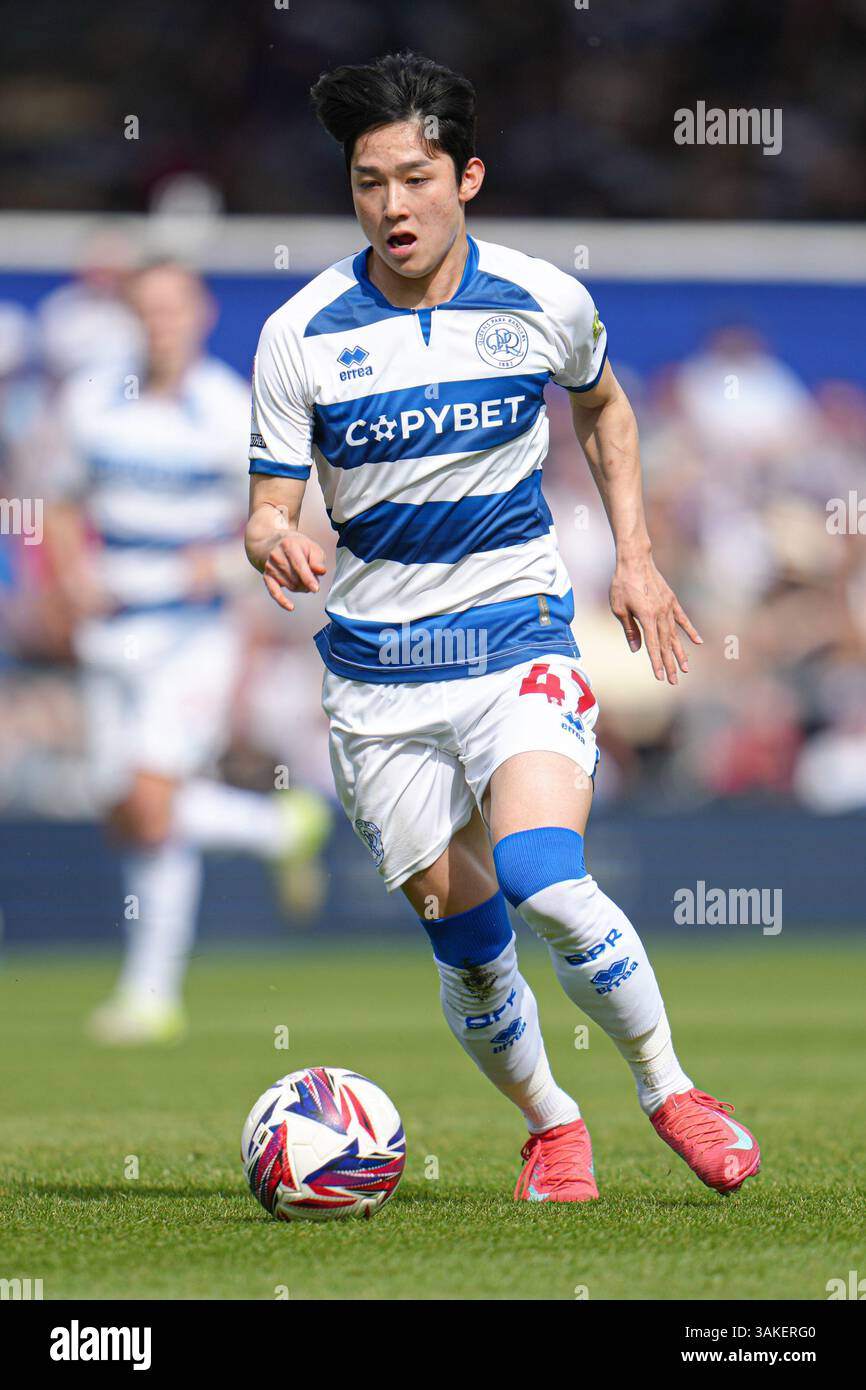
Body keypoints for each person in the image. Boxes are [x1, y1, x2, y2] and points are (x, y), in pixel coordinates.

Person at [243, 52, 761, 1200]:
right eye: (369, 182)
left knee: (537, 868)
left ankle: (670, 1088)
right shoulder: (300, 333)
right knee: (467, 942)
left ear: (465, 177)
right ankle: (550, 1120)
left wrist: (631, 555)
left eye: (415, 177)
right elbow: (268, 503)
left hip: (511, 636)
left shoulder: (541, 299)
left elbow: (605, 405)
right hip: (377, 682)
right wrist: (272, 535)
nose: (391, 205)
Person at [43, 260, 332, 1044]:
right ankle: (278, 828)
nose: (160, 323)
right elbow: (61, 505)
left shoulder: (225, 410)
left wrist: (177, 574)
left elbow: (270, 524)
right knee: (125, 812)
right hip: (110, 631)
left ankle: (150, 994)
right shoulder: (95, 400)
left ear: (199, 314)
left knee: (151, 799)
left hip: (190, 630)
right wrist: (70, 584)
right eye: (147, 309)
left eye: (173, 309)